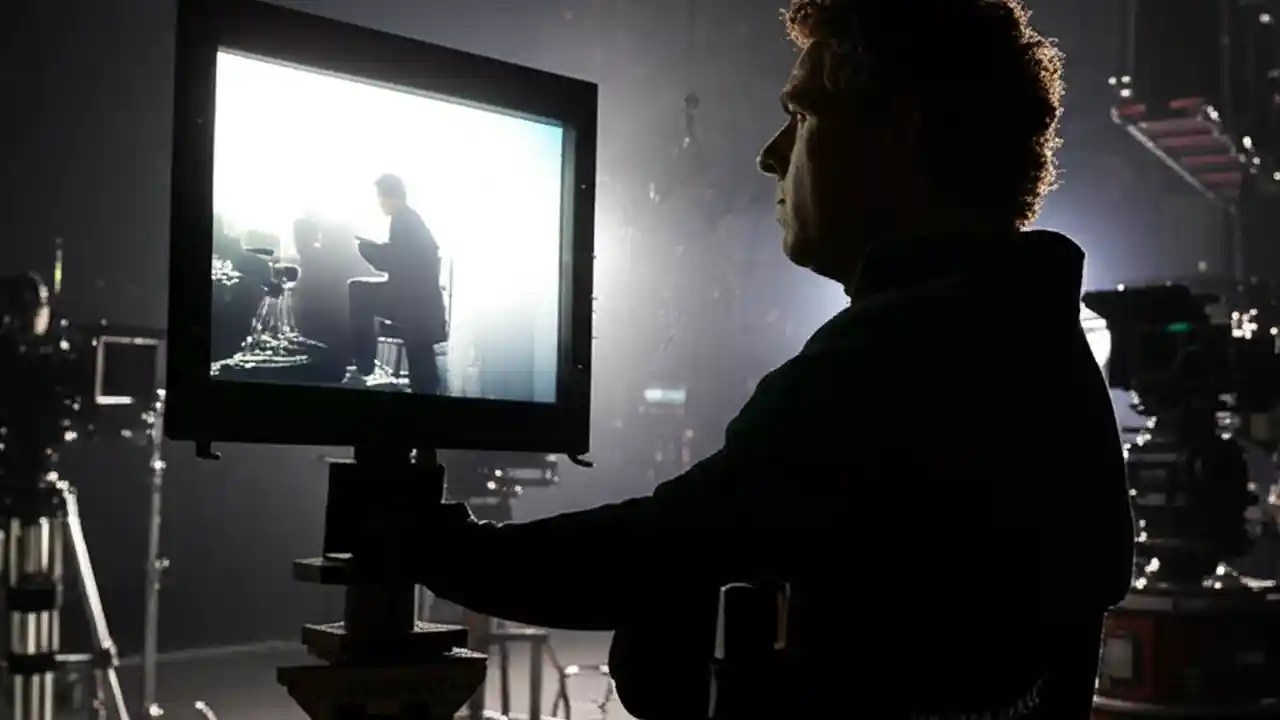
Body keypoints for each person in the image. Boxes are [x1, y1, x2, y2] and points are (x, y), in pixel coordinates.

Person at [392, 2, 1135, 717]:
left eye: (804, 115)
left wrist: (427, 544)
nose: (772, 154)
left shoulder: (898, 357)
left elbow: (661, 552)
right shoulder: (1035, 344)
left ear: (899, 130)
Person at [346, 174, 447, 393]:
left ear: (390, 197)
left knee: (357, 290)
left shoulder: (403, 219)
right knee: (421, 364)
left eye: (381, 197)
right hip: (422, 303)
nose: (380, 203)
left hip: (409, 301)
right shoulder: (411, 221)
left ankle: (363, 364)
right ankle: (366, 364)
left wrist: (367, 249)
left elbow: (394, 262)